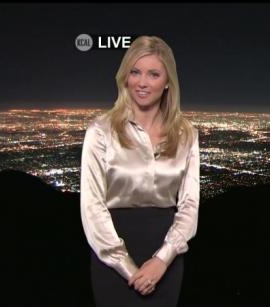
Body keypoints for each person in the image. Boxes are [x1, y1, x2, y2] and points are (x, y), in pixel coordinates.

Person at [80, 35, 200, 306]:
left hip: (167, 258)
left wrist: (162, 259)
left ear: (168, 82)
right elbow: (92, 206)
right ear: (125, 77)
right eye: (135, 72)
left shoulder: (187, 134)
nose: (142, 82)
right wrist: (128, 268)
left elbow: (190, 205)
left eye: (153, 74)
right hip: (111, 256)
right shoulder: (101, 131)